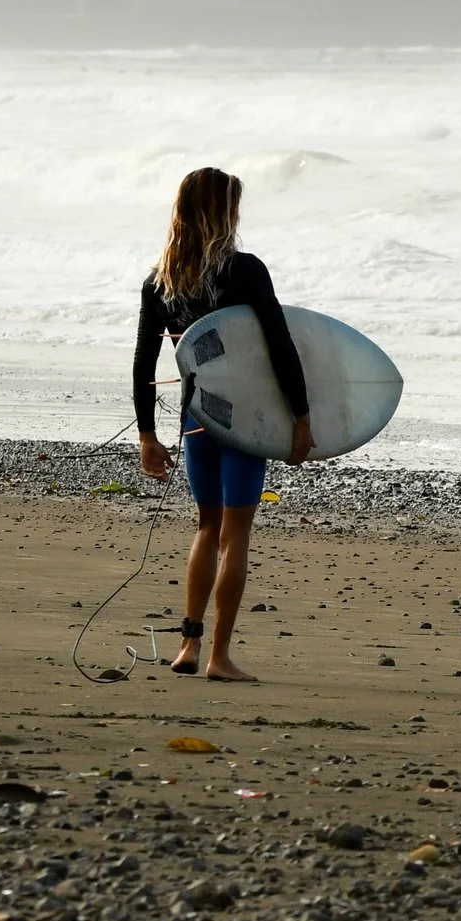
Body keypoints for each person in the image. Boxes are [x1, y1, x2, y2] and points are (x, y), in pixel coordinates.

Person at [132, 167, 314, 683]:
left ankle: (188, 646)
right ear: (223, 212)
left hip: (197, 419)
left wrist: (147, 435)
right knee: (236, 535)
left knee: (206, 527)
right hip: (246, 419)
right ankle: (219, 657)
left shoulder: (160, 282)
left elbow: (144, 363)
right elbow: (280, 346)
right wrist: (301, 417)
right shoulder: (245, 271)